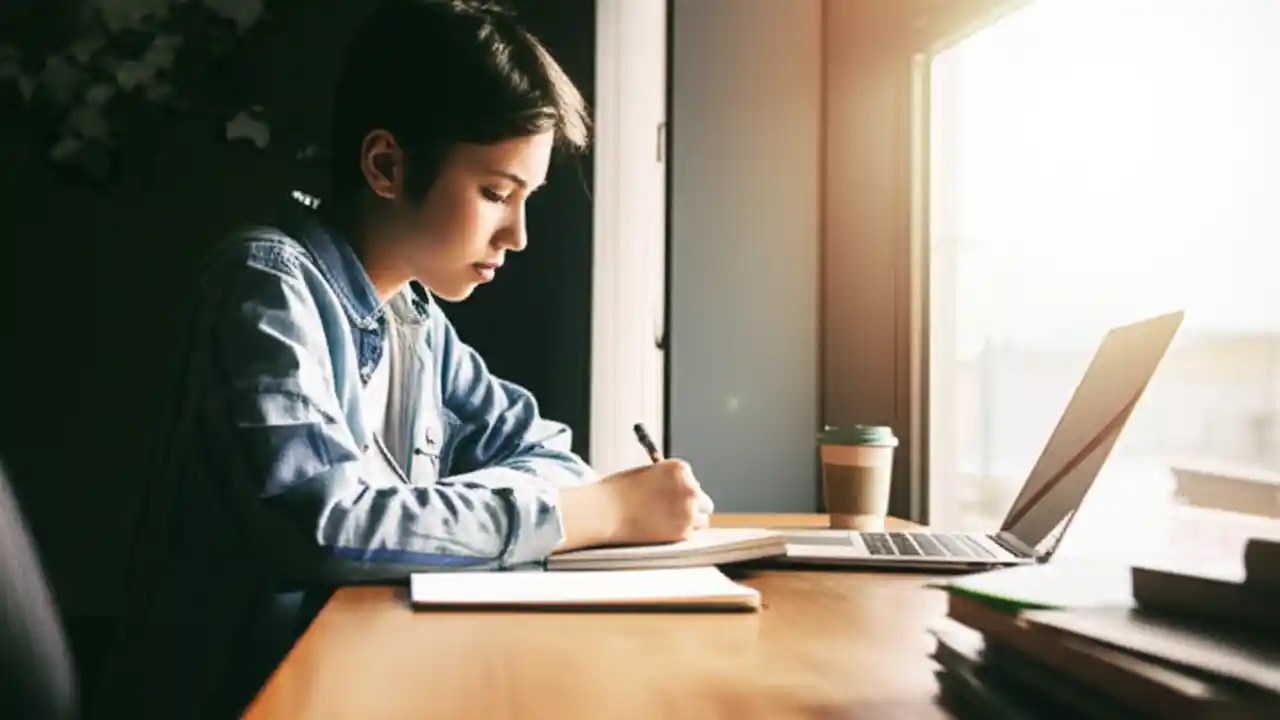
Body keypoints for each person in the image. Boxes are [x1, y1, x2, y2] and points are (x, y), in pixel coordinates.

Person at [95, 2, 713, 717]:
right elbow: (324, 528)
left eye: (526, 200)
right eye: (495, 194)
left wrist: (476, 512)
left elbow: (547, 452)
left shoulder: (414, 317)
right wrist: (596, 510)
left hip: (354, 680)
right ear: (387, 165)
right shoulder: (265, 286)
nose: (517, 236)